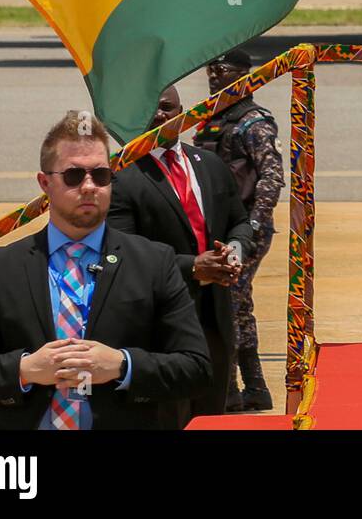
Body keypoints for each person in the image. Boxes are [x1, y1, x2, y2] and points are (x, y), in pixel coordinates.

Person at [0, 111, 211, 429]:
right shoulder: (1, 267)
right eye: (73, 176)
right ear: (45, 183)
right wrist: (25, 369)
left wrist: (122, 366)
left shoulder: (154, 262)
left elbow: (196, 369)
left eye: (100, 175)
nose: (88, 187)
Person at [108, 85, 255, 422]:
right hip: (158, 326)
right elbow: (123, 252)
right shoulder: (122, 175)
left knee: (210, 417)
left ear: (182, 112)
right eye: (150, 109)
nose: (159, 116)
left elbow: (240, 222)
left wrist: (232, 252)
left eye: (166, 108)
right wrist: (192, 267)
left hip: (213, 321)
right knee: (168, 417)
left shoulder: (210, 164)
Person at [192, 46, 284, 412]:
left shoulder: (254, 122)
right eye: (212, 69)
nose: (215, 76)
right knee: (232, 303)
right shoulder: (209, 118)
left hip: (246, 228)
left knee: (230, 302)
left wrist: (253, 227)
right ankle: (250, 388)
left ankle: (232, 390)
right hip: (219, 226)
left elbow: (271, 178)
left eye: (224, 70)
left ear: (245, 76)